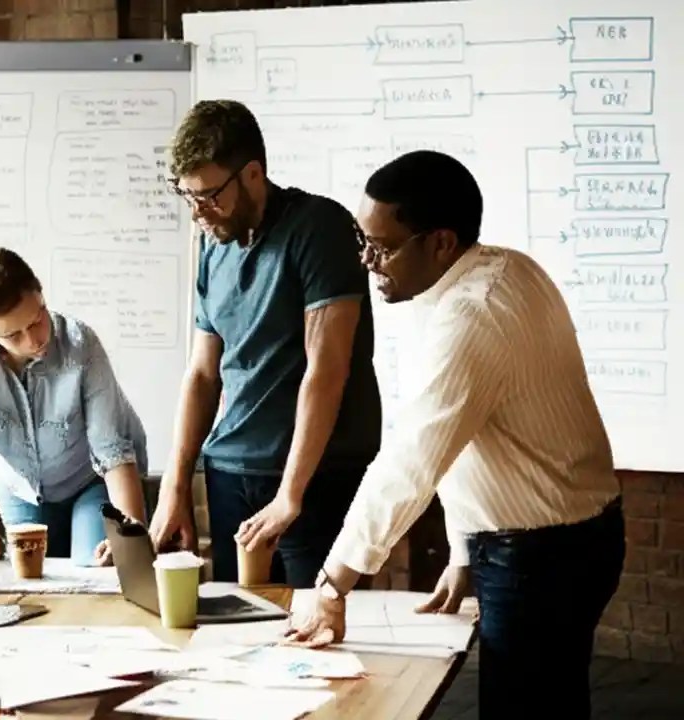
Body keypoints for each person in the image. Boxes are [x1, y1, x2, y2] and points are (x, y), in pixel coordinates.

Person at [286, 150, 625, 719]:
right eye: (361, 241)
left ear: (441, 243)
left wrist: (330, 585)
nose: (367, 260)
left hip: (539, 557)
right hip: (572, 539)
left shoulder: (473, 316)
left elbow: (412, 460)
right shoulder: (506, 269)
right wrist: (465, 548)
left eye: (383, 247)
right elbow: (468, 435)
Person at [148, 99, 382, 587]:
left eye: (209, 196)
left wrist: (290, 495)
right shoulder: (212, 245)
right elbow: (202, 375)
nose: (197, 213)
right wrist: (174, 487)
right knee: (241, 621)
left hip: (315, 479)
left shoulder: (319, 227)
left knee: (314, 619)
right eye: (186, 196)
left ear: (253, 173)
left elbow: (327, 369)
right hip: (232, 472)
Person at [0, 247, 149, 566]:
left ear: (40, 294)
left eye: (38, 319)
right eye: (13, 335)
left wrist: (130, 538)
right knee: (32, 577)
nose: (33, 340)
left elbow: (112, 450)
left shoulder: (81, 343)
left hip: (88, 481)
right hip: (19, 489)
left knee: (95, 566)